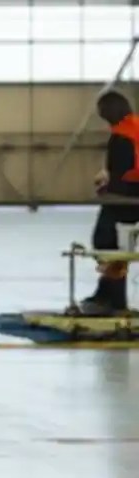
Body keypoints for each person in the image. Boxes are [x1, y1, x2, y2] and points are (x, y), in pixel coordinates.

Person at [80, 89, 139, 315]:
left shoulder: (121, 136)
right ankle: (108, 293)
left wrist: (104, 188)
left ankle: (112, 299)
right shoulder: (135, 127)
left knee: (105, 241)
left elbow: (121, 174)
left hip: (130, 199)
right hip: (132, 195)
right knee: (118, 244)